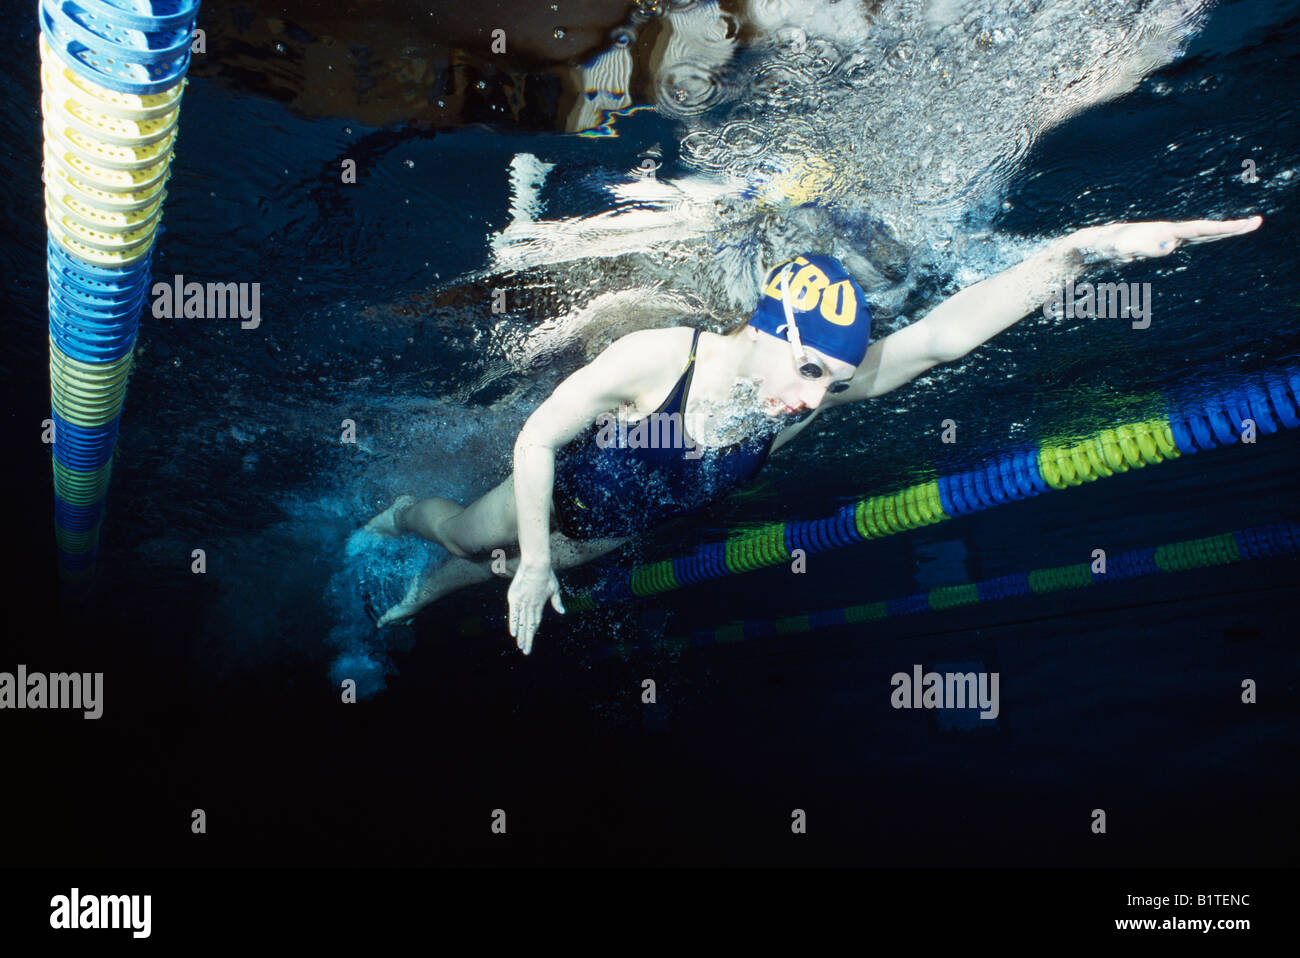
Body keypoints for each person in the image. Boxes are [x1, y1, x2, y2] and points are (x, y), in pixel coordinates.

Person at [365, 215, 1263, 653]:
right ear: (768, 331)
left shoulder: (804, 395)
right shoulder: (657, 360)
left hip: (612, 527)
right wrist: (528, 554)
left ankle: (434, 592)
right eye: (809, 374)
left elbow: (943, 338)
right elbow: (536, 441)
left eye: (831, 382)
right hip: (557, 492)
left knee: (525, 572)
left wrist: (1079, 252)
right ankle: (406, 514)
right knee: (472, 539)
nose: (813, 401)